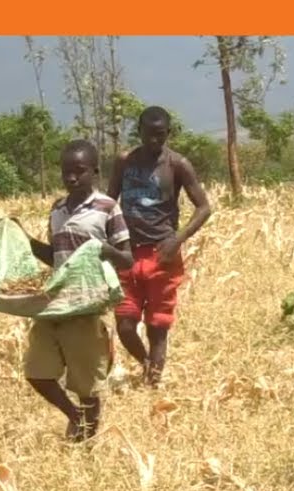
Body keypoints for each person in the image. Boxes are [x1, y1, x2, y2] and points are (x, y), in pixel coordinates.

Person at [24, 139, 134, 442]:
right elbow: (55, 257)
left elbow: (127, 259)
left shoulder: (107, 208)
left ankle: (85, 443)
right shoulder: (57, 209)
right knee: (36, 372)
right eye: (66, 171)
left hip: (86, 305)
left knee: (87, 386)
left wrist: (104, 250)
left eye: (79, 171)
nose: (71, 178)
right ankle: (75, 417)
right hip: (55, 302)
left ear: (95, 171)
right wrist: (26, 241)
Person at [107, 106, 213, 388]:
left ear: (168, 133)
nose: (154, 140)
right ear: (138, 131)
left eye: (160, 134)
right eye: (149, 134)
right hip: (126, 253)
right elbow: (109, 203)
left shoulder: (177, 164)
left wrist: (178, 239)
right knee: (125, 325)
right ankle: (146, 364)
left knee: (157, 327)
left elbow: (204, 207)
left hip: (162, 255)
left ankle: (152, 383)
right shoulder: (124, 162)